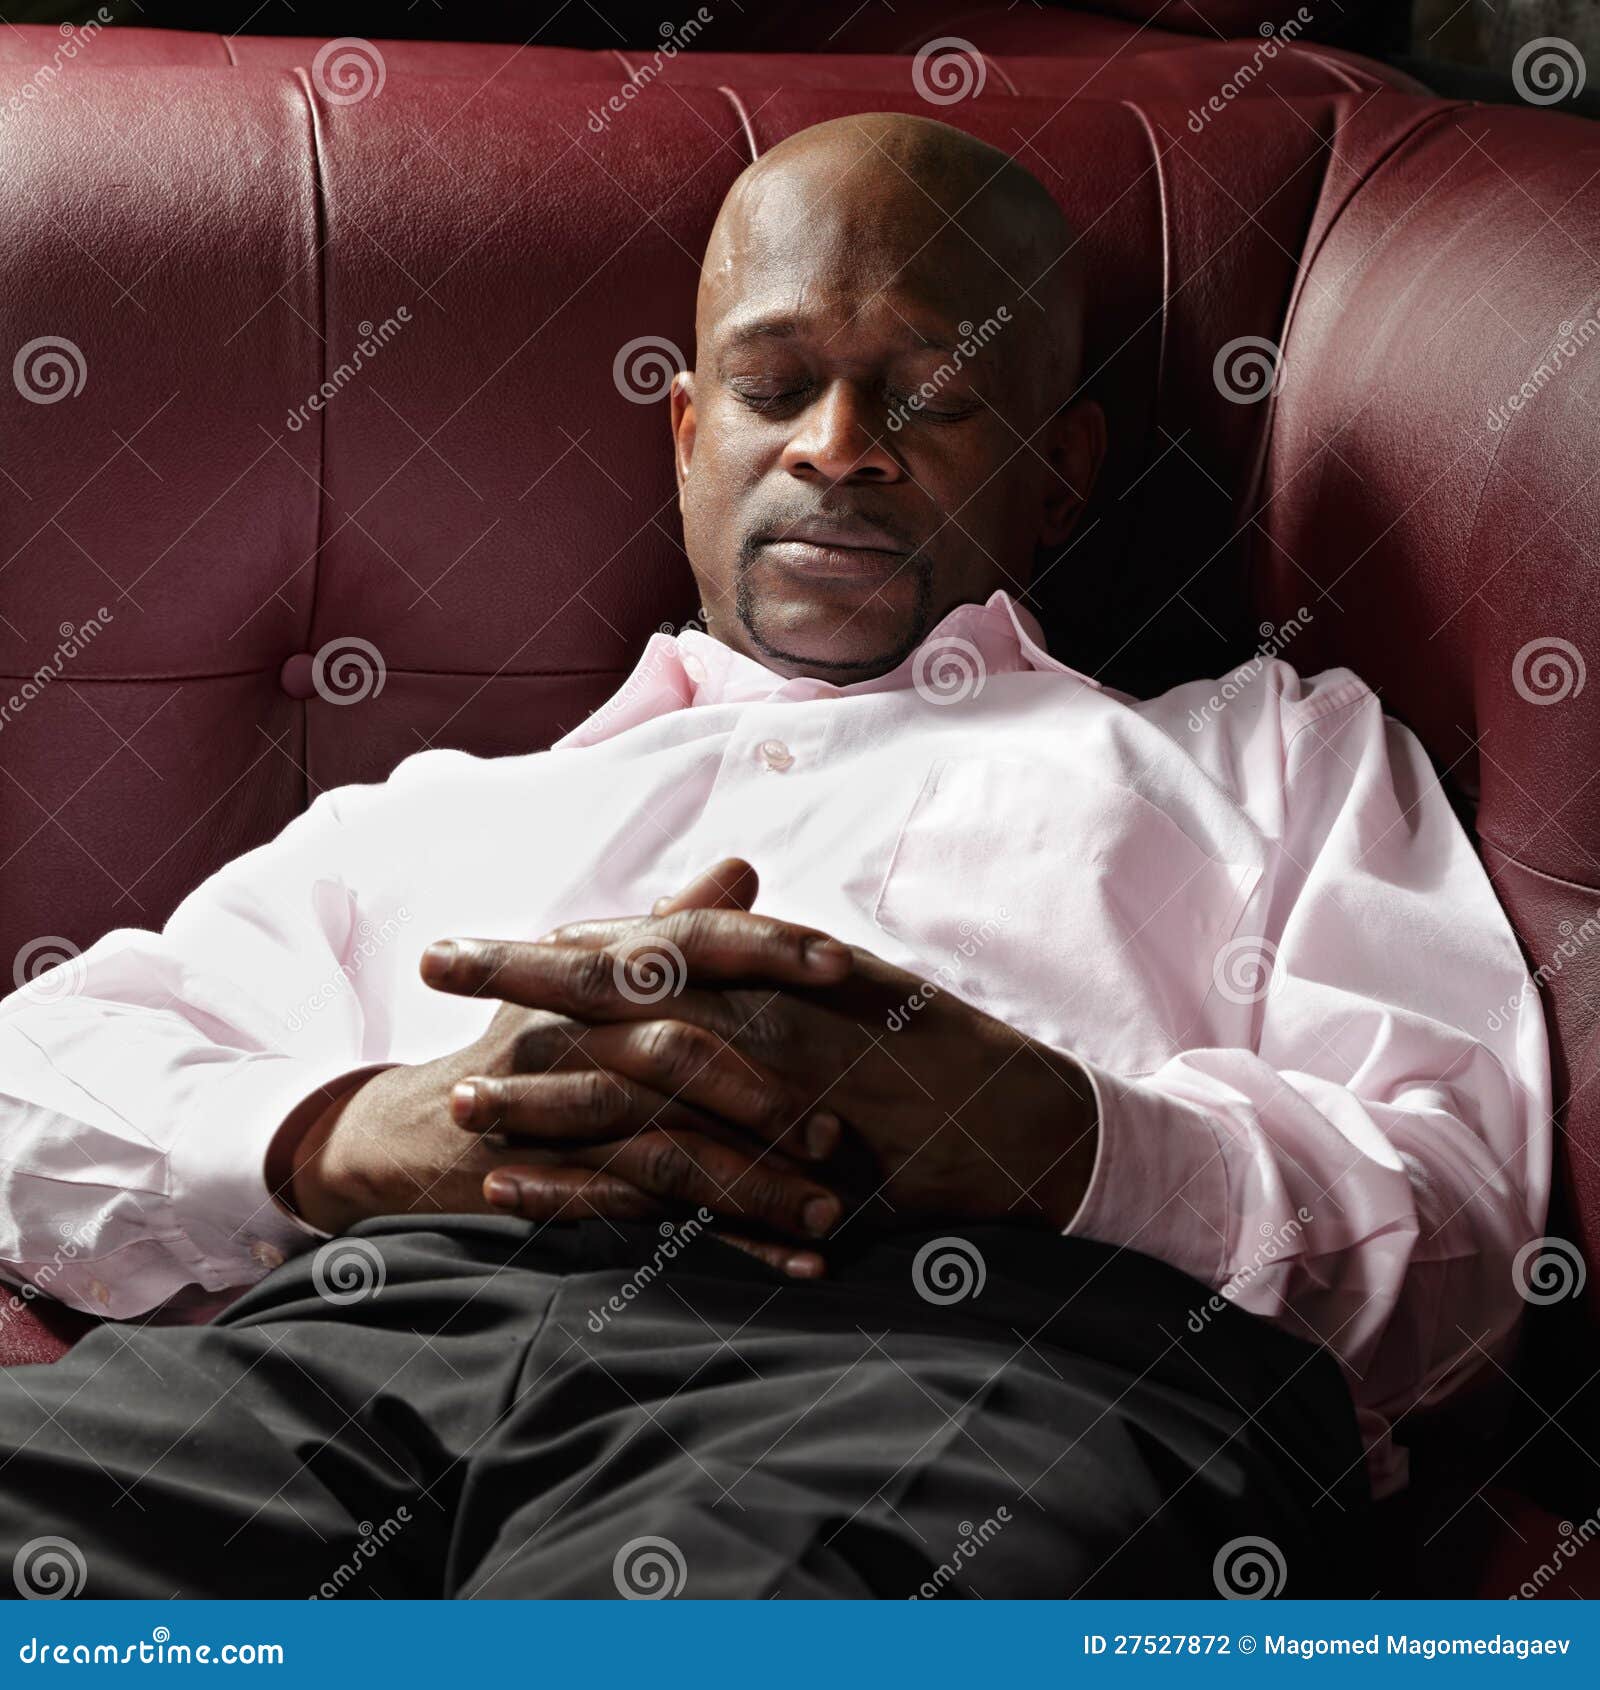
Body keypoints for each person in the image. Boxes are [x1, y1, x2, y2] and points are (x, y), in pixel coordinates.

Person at [0, 112, 1549, 1599]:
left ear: (1063, 467)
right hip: (355, 1345)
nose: (839, 449)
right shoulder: (424, 816)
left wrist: (1059, 1138)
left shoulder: (1269, 752)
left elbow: (1471, 1238)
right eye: (772, 384)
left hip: (971, 1366)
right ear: (687, 437)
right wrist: (353, 1135)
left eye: (929, 394)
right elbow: (37, 1081)